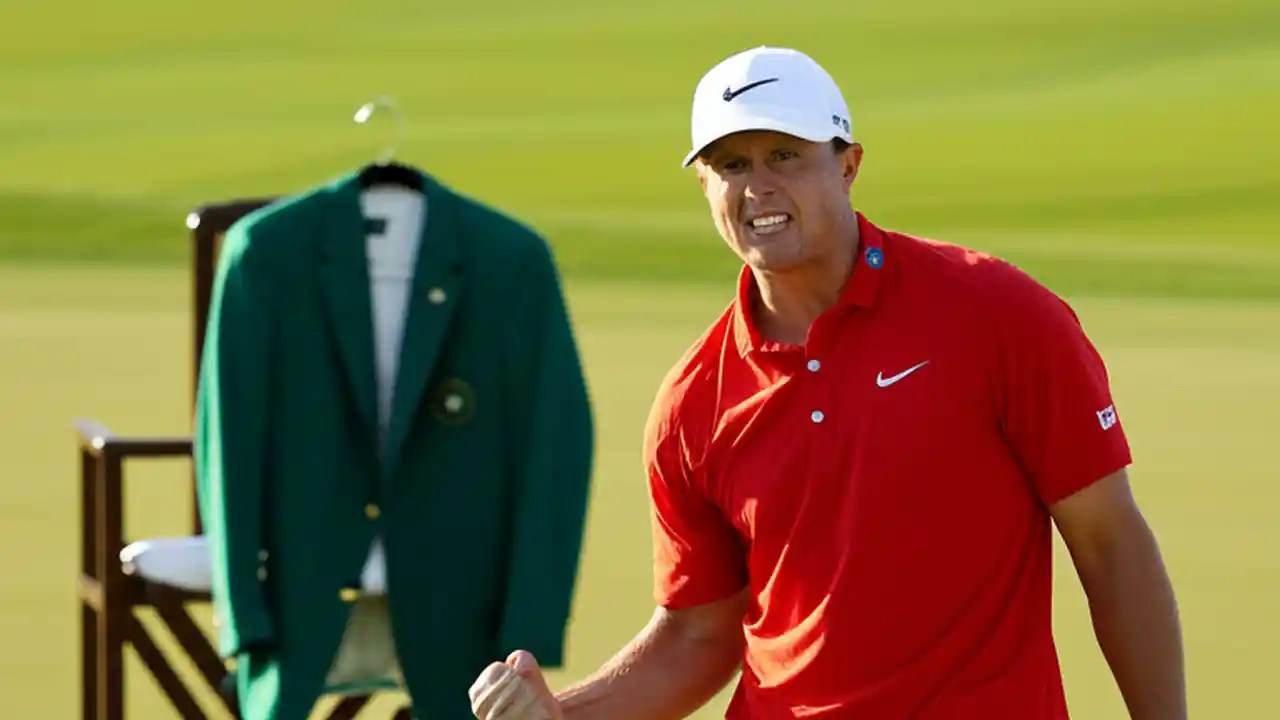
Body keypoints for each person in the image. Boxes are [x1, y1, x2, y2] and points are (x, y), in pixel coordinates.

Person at [468, 46, 1186, 719]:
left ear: (849, 165)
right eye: (730, 164)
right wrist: (562, 714)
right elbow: (697, 636)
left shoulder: (996, 314)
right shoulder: (692, 401)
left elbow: (1109, 543)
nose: (758, 186)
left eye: (786, 154)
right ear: (703, 185)